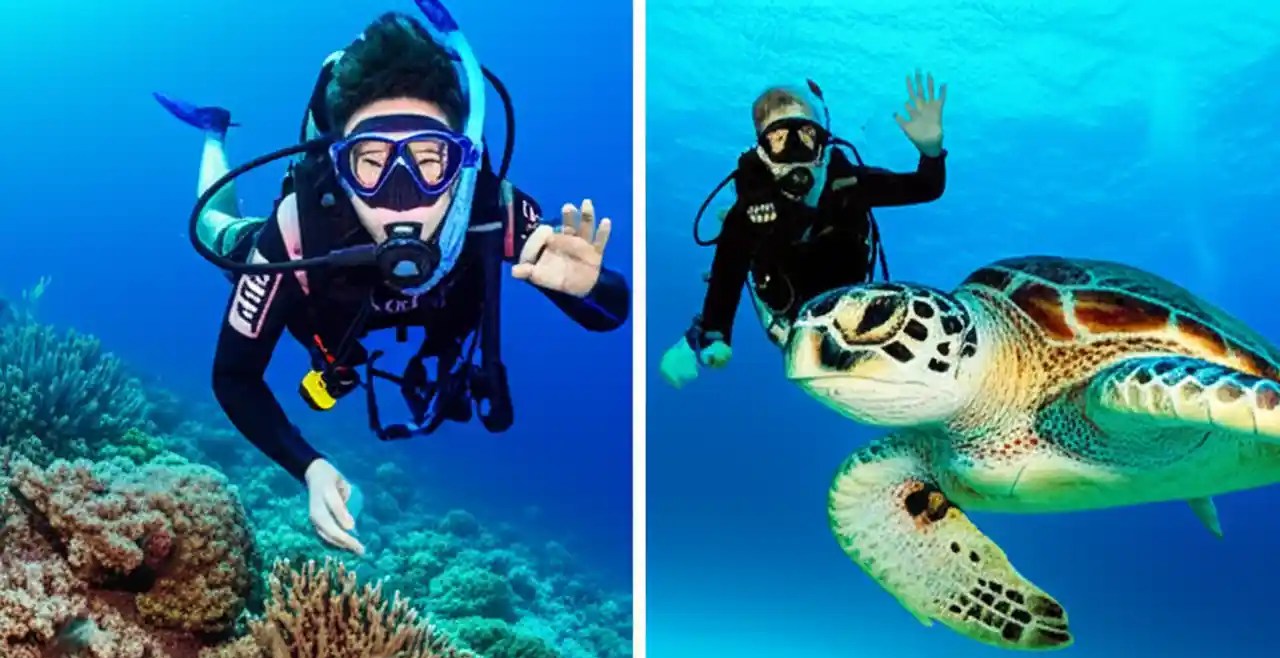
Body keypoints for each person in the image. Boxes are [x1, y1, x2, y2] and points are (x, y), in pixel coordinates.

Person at [154, 1, 629, 556]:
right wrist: (308, 467)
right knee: (212, 230)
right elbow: (234, 376)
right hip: (316, 285)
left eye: (429, 160)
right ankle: (213, 133)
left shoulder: (488, 209)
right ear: (339, 166)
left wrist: (588, 288)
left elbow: (612, 312)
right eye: (371, 161)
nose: (401, 197)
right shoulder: (298, 231)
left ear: (462, 163)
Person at [659, 71, 947, 388]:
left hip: (849, 310)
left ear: (824, 145)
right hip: (786, 318)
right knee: (735, 252)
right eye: (780, 140)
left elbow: (927, 187)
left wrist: (931, 154)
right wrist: (716, 335)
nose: (795, 152)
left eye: (807, 136)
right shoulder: (751, 212)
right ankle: (694, 335)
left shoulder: (850, 185)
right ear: (763, 153)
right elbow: (727, 275)